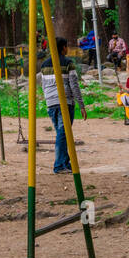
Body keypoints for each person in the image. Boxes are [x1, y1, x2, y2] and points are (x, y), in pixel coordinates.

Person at [37, 36, 83, 174]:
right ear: (63, 48)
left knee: (62, 134)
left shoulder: (44, 64)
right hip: (65, 102)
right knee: (63, 134)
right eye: (66, 46)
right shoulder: (68, 63)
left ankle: (65, 162)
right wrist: (81, 105)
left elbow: (44, 84)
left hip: (51, 103)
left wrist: (48, 99)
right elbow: (74, 84)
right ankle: (59, 165)